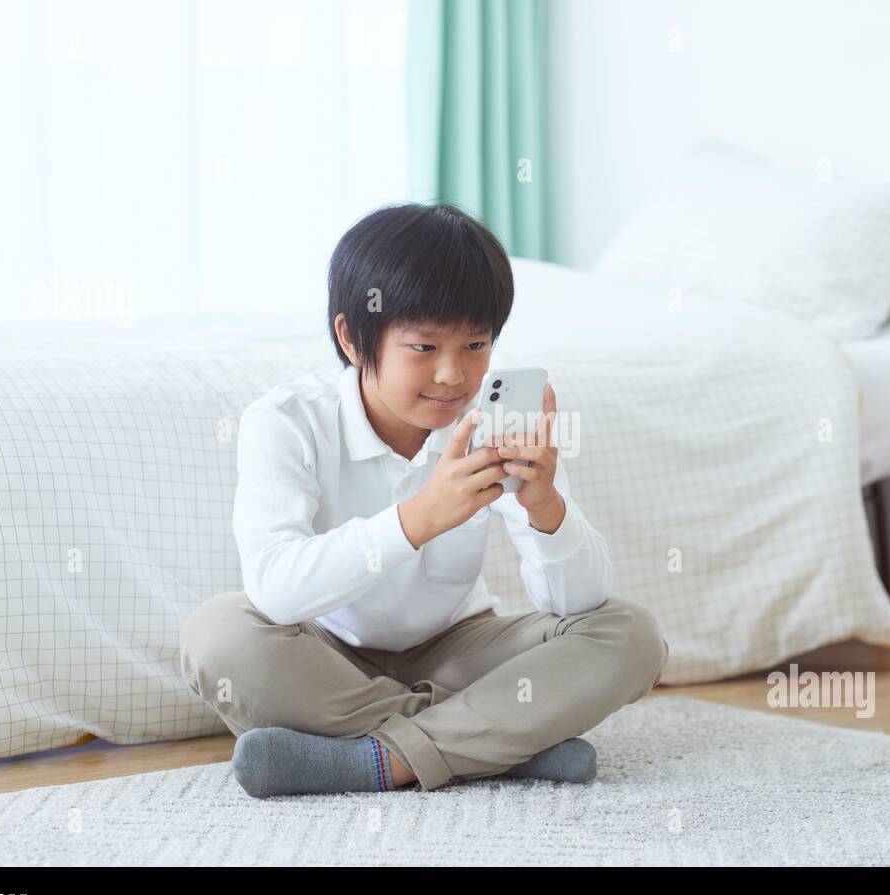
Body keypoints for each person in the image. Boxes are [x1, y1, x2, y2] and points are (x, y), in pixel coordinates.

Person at [180, 201, 668, 796]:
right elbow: (277, 590)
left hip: (459, 652)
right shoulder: (284, 422)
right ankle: (496, 744)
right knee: (218, 634)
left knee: (631, 634)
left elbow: (581, 603)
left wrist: (546, 510)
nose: (452, 376)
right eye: (424, 347)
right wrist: (419, 518)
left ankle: (376, 759)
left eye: (475, 345)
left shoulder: (495, 423)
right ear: (352, 339)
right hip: (327, 658)